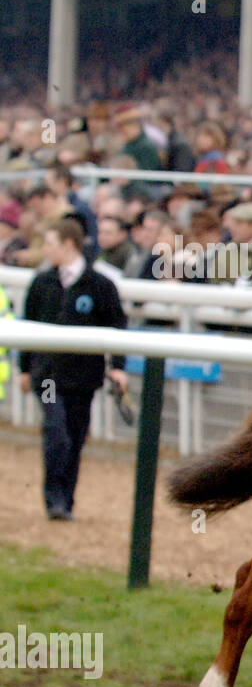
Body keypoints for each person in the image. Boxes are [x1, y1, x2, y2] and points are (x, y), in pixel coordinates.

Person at [17, 218, 128, 520]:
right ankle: (53, 498)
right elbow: (27, 326)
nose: (46, 250)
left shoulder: (100, 286)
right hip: (49, 377)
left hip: (83, 378)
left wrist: (118, 367)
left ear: (68, 244)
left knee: (75, 437)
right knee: (56, 432)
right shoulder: (42, 283)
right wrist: (25, 369)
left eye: (50, 243)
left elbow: (117, 326)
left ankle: (66, 500)